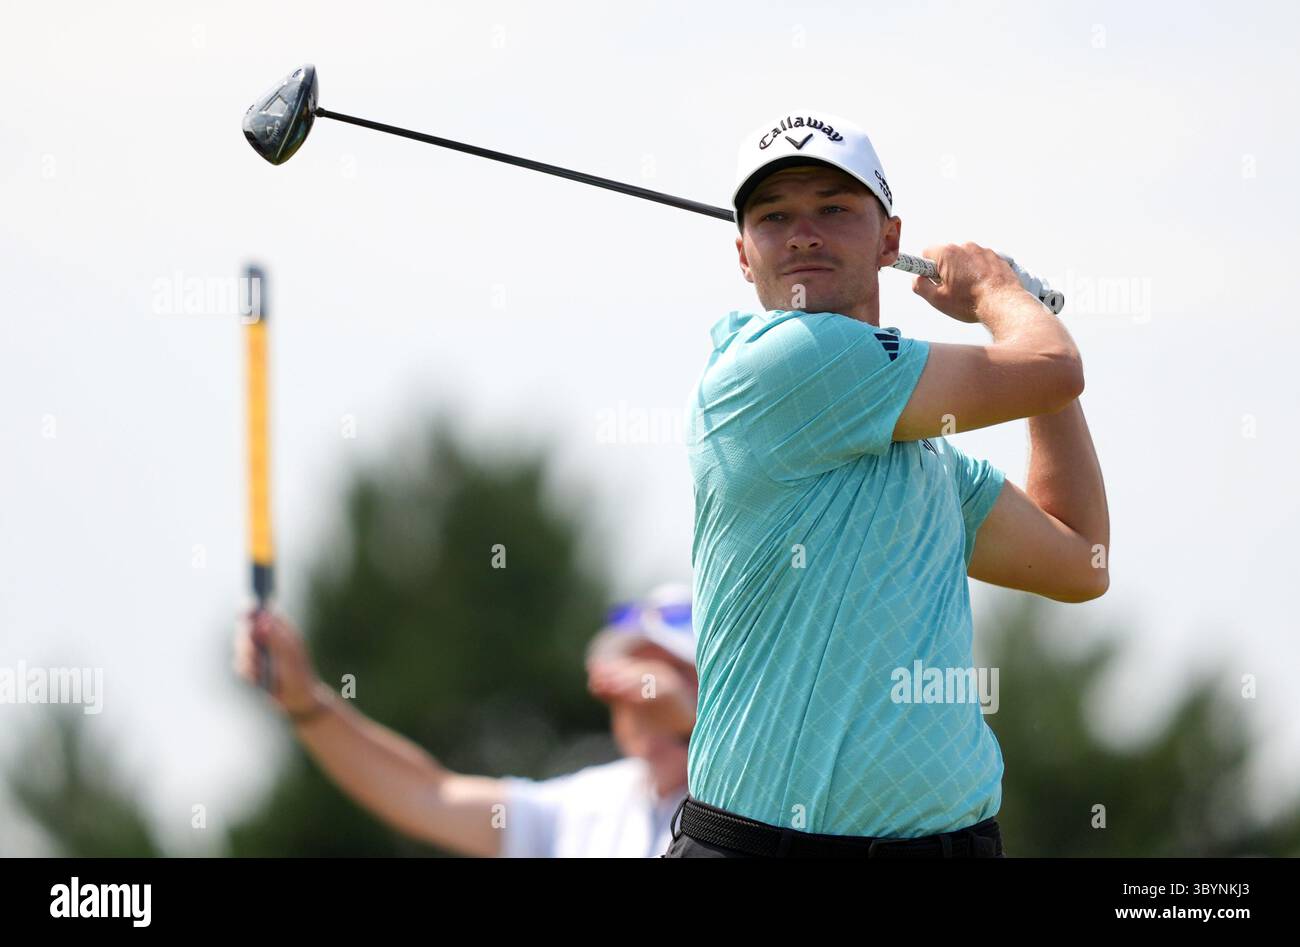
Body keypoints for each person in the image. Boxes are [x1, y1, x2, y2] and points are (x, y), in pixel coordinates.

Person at [663, 111, 1109, 858]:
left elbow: (1078, 558)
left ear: (890, 242)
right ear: (744, 254)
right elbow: (1052, 367)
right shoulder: (785, 361)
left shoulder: (927, 456)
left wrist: (1024, 323)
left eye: (833, 209)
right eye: (774, 217)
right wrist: (1006, 299)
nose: (802, 232)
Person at [233, 583, 696, 857]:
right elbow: (427, 795)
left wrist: (690, 724)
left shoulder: (762, 800)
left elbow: (758, 772)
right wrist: (306, 702)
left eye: (671, 676)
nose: (646, 699)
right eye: (632, 681)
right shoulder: (590, 806)